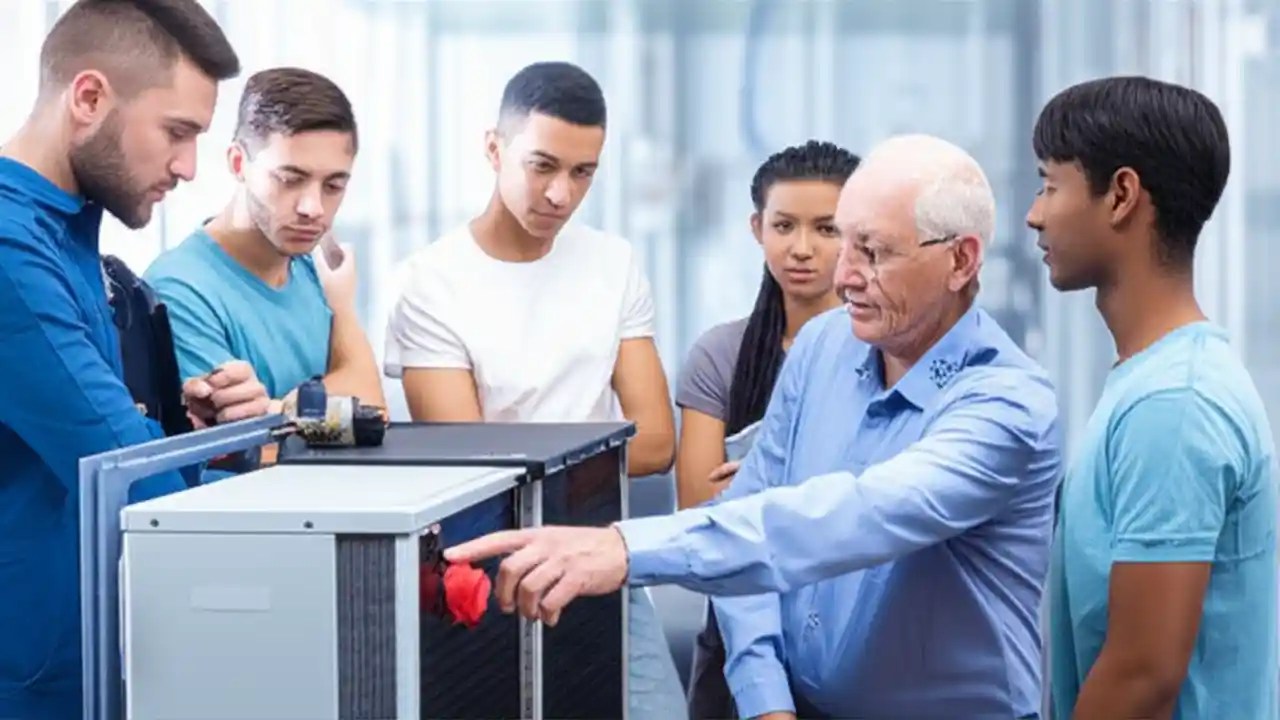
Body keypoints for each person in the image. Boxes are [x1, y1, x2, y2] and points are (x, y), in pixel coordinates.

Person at [447, 134, 1064, 720]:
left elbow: (850, 516)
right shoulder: (826, 346)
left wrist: (627, 547)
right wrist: (767, 698)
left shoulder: (1007, 405)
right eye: (842, 242)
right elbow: (750, 522)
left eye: (871, 252)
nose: (842, 274)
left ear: (961, 260)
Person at [384, 61, 683, 718]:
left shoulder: (613, 264)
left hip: (599, 557)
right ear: (494, 148)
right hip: (490, 572)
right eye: (542, 166)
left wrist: (534, 461)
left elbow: (658, 441)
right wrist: (591, 459)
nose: (560, 195)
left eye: (583, 173)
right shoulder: (431, 284)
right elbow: (469, 468)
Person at [0, 1, 270, 717]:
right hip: (32, 680)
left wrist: (201, 429)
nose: (187, 167)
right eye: (176, 133)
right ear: (88, 97)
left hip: (85, 651)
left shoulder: (66, 232)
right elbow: (126, 476)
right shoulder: (8, 246)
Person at [1028, 76, 1277, 719]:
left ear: (1121, 196)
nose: (1035, 213)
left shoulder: (1175, 404)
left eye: (1050, 185)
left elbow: (1142, 677)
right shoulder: (1149, 382)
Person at [674, 139, 860, 719]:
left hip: (852, 629)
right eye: (783, 225)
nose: (801, 249)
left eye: (826, 229)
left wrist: (761, 486)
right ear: (757, 228)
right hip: (734, 635)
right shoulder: (720, 355)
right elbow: (700, 510)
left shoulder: (886, 353)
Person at [145, 67, 384, 431]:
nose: (313, 208)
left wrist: (341, 307)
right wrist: (311, 413)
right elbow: (242, 446)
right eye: (290, 180)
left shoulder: (313, 269)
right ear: (239, 163)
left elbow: (373, 415)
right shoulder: (180, 289)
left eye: (333, 186)